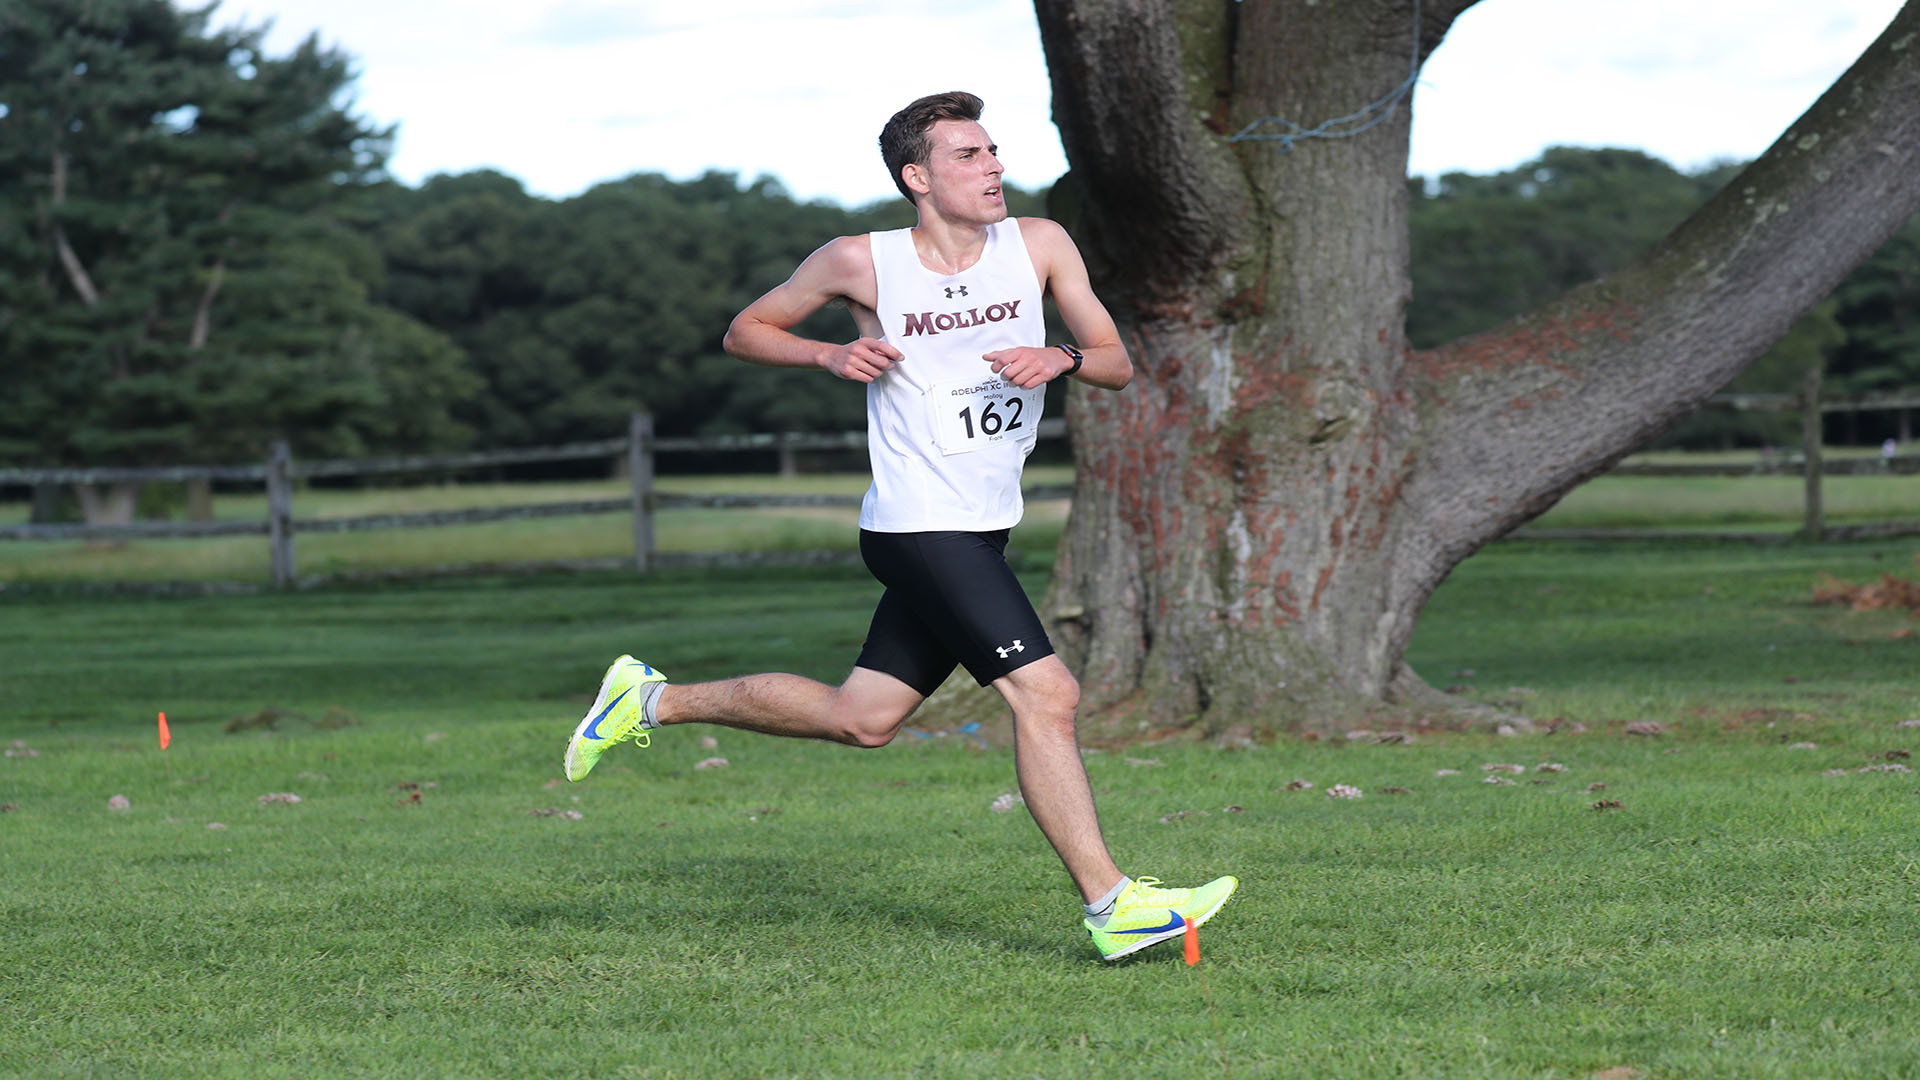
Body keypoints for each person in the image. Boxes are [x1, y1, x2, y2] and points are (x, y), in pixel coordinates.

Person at [562, 91, 1235, 961]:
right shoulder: (859, 261)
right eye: (968, 155)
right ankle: (1115, 906)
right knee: (1049, 695)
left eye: (994, 151)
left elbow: (1114, 361)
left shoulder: (1040, 245)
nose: (993, 165)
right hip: (919, 522)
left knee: (864, 718)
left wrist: (1058, 355)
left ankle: (648, 698)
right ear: (918, 177)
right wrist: (829, 352)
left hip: (981, 524)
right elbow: (746, 329)